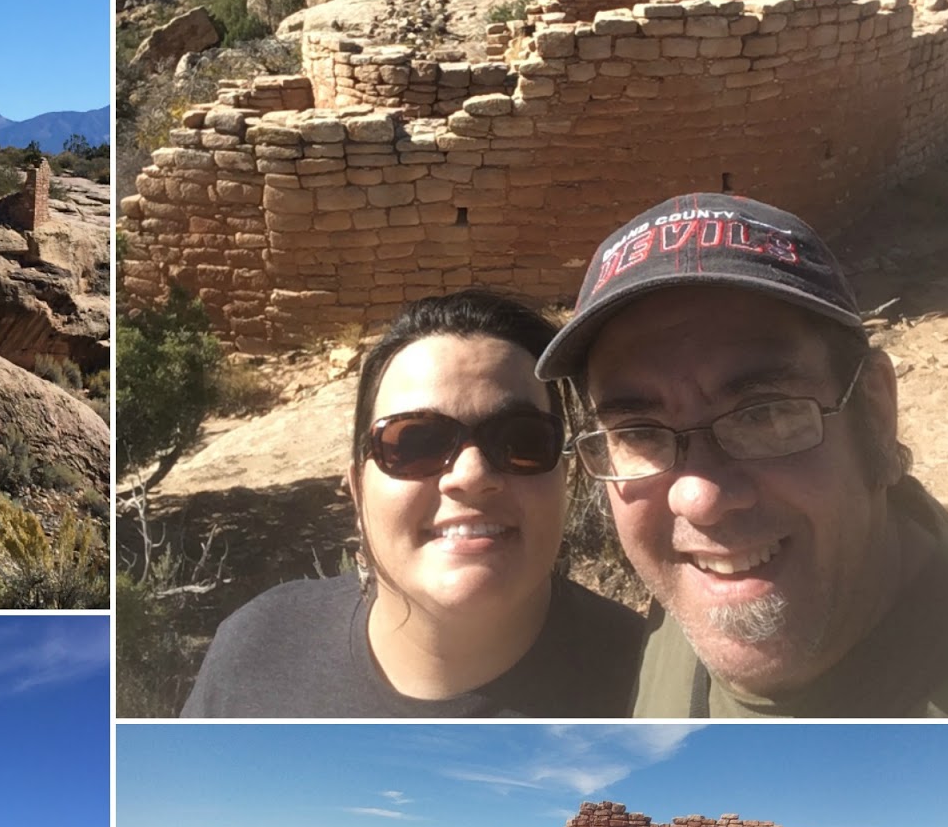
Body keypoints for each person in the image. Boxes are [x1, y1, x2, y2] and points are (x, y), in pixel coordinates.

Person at [536, 192, 948, 718]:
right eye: (640, 433)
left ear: (877, 413)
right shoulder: (687, 594)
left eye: (762, 414)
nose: (698, 499)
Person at [182, 291, 644, 716]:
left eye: (522, 441)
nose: (472, 475)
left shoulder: (656, 687)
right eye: (414, 442)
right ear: (357, 491)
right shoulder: (255, 650)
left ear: (564, 478)